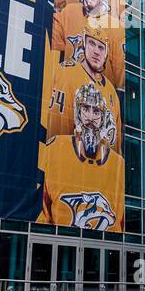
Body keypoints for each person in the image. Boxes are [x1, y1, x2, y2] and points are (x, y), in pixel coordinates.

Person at [40, 83, 123, 231]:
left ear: (103, 118)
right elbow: (43, 210)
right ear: (77, 113)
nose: (90, 118)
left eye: (96, 111)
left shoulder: (119, 165)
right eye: (85, 109)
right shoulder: (54, 148)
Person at [43, 30, 120, 149]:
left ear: (106, 53)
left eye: (101, 47)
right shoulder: (66, 72)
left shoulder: (111, 91)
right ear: (84, 44)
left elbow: (115, 144)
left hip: (100, 163)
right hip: (64, 155)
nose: (96, 51)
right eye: (92, 43)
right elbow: (57, 124)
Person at [51, 0, 124, 84]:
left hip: (98, 94)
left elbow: (120, 80)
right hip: (67, 86)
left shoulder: (115, 28)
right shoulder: (69, 12)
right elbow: (53, 55)